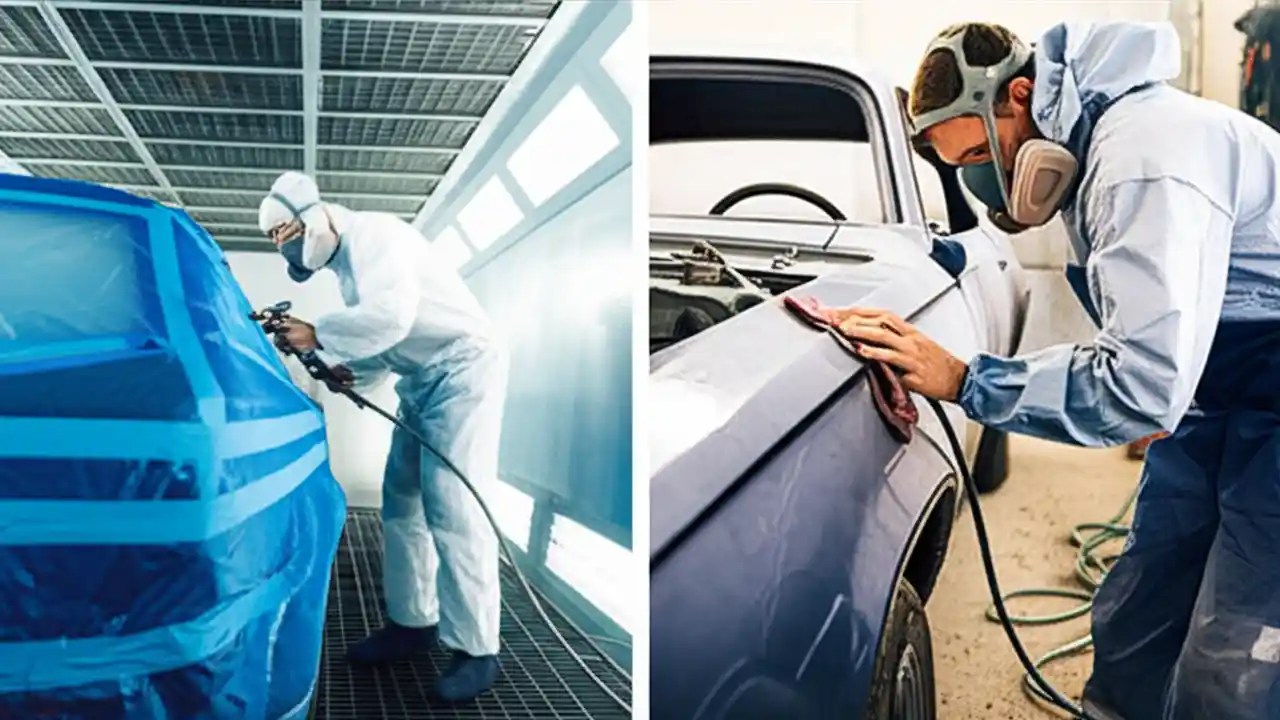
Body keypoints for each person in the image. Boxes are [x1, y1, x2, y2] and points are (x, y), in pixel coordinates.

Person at [831, 21, 1280, 720]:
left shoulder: (1141, 158)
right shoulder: (1096, 148)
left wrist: (968, 380)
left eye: (979, 153)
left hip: (1262, 388)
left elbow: (1139, 384)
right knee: (1139, 608)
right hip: (1219, 388)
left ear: (1020, 95)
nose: (982, 179)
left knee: (1236, 657)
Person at [257, 171, 508, 702]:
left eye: (284, 231)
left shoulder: (376, 235)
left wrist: (317, 333)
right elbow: (383, 346)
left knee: (453, 505)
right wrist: (339, 370)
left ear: (313, 214)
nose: (284, 244)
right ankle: (412, 621)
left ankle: (477, 648)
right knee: (402, 501)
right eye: (275, 239)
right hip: (421, 381)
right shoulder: (350, 270)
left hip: (463, 371)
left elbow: (392, 318)